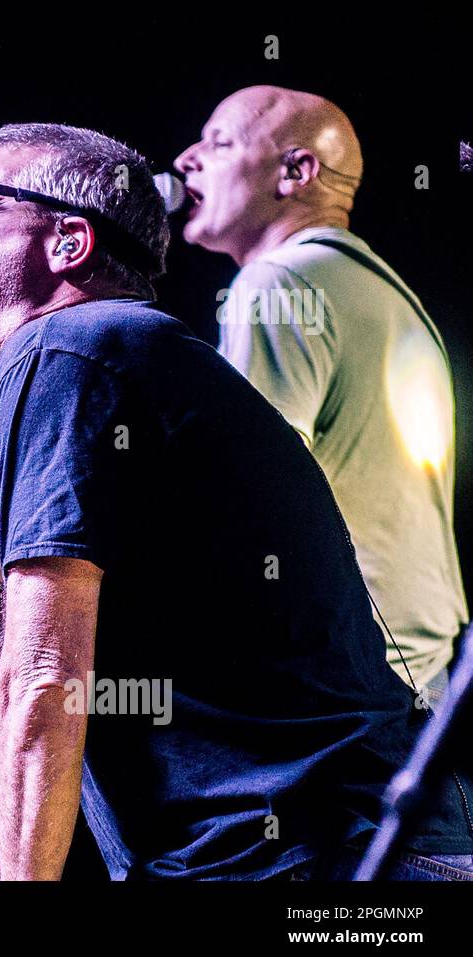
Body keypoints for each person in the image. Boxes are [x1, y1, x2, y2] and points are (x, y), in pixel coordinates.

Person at [0, 122, 473, 880]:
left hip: (320, 857)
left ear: (67, 243)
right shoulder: (102, 370)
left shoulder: (78, 345)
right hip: (314, 854)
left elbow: (44, 674)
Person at [174, 86, 467, 699]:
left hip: (347, 680)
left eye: (220, 142)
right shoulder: (389, 295)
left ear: (296, 172)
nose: (185, 160)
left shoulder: (277, 283)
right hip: (424, 667)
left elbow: (250, 502)